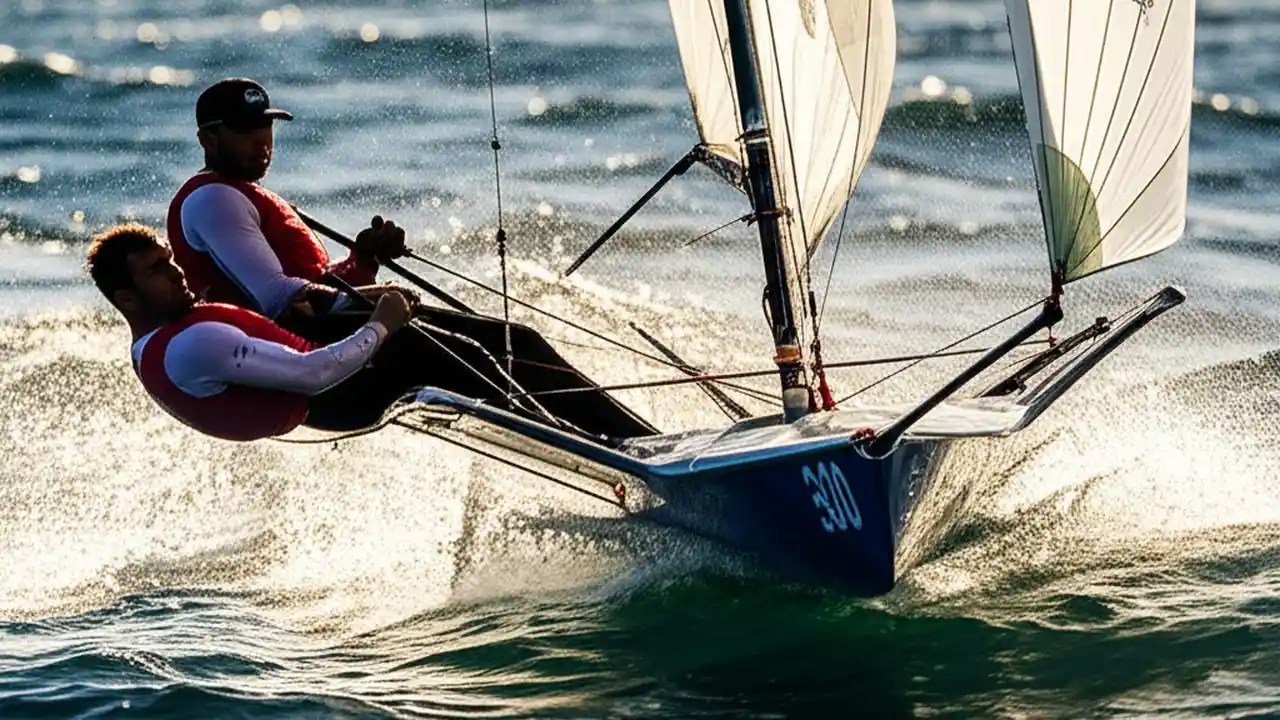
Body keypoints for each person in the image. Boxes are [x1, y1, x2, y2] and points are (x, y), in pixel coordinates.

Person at [163, 77, 658, 440]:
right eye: (246, 130)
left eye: (267, 127)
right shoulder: (214, 199)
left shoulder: (239, 195)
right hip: (321, 368)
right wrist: (376, 304)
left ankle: (628, 444)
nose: (262, 141)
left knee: (514, 343)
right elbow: (278, 299)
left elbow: (311, 286)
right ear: (209, 138)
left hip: (333, 343)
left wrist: (363, 262)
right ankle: (626, 449)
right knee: (485, 355)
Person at [87, 223, 416, 440]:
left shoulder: (166, 334)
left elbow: (276, 331)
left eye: (169, 259)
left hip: (337, 376)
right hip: (349, 395)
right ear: (126, 299)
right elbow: (312, 374)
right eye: (156, 270)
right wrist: (381, 325)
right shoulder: (188, 345)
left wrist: (360, 265)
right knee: (425, 334)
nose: (176, 273)